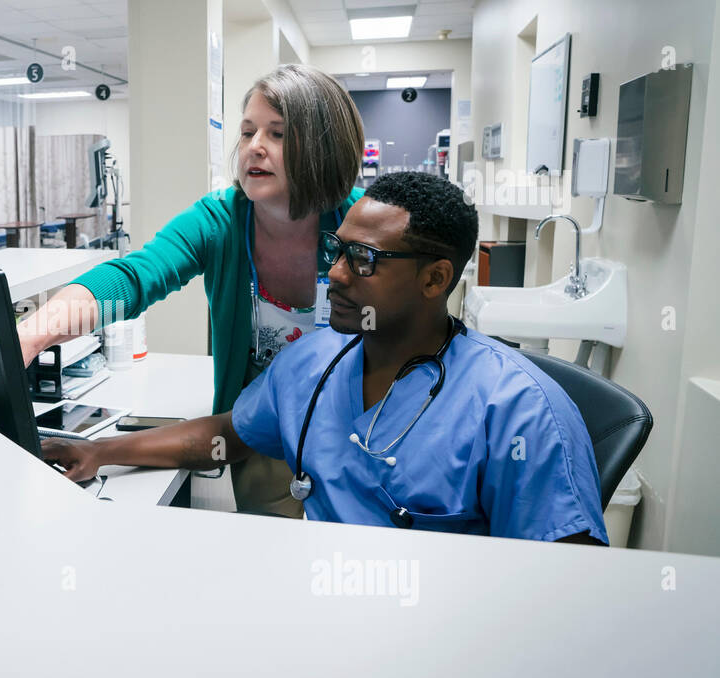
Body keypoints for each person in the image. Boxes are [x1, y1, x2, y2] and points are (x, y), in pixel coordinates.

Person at [42, 172, 608, 544]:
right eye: (336, 251)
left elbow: (566, 588)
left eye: (362, 260)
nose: (334, 274)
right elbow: (230, 434)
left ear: (435, 278)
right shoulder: (318, 358)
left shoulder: (523, 413)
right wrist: (101, 451)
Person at [18, 64, 367, 516]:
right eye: (247, 132)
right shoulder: (220, 222)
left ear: (323, 148)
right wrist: (34, 333)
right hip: (256, 437)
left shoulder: (363, 226)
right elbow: (134, 276)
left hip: (354, 437)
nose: (254, 147)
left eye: (278, 134)